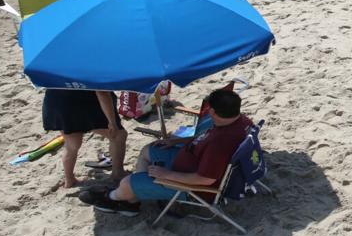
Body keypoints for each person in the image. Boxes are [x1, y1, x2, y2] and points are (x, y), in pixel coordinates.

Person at [87, 87, 253, 217]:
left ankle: (113, 198)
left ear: (212, 112)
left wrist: (166, 174)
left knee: (126, 183)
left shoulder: (220, 145)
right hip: (191, 159)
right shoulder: (239, 120)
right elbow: (203, 137)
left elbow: (205, 179)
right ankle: (132, 200)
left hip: (190, 185)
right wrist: (176, 141)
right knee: (148, 150)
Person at [43, 89, 126, 190]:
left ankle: (69, 180)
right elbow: (101, 92)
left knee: (72, 145)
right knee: (118, 135)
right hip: (84, 103)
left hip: (57, 101)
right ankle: (118, 174)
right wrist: (112, 122)